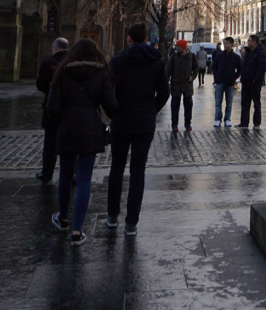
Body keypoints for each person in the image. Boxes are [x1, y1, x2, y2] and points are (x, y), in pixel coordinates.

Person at [45, 38, 117, 245]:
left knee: (65, 175)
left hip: (67, 127)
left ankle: (63, 219)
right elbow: (110, 106)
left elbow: (52, 106)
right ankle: (77, 231)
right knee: (84, 179)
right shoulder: (101, 72)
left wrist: (59, 123)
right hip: (90, 129)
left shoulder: (63, 71)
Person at [107, 21, 170, 236]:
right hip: (144, 122)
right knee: (138, 171)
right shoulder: (156, 62)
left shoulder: (118, 60)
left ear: (128, 39)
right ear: (146, 39)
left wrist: (112, 110)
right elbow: (164, 93)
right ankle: (131, 222)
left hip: (121, 119)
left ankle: (112, 215)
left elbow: (107, 90)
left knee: (117, 167)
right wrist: (151, 110)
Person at [34, 36, 69, 185]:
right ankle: (72, 174)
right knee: (71, 142)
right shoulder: (73, 62)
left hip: (51, 107)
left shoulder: (47, 63)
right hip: (70, 107)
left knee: (50, 143)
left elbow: (40, 85)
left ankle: (47, 173)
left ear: (55, 48)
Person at [166, 39, 198, 132]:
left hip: (187, 84)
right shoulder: (173, 56)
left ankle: (187, 123)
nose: (176, 48)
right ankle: (174, 125)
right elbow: (168, 70)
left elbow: (196, 68)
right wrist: (166, 80)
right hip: (176, 84)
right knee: (175, 105)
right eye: (176, 46)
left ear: (183, 47)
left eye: (178, 46)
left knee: (188, 105)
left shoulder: (191, 56)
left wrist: (193, 77)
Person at [211, 37, 242, 127]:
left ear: (231, 44)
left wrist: (234, 77)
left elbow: (240, 69)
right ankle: (218, 119)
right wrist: (216, 77)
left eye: (227, 43)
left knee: (229, 103)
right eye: (224, 43)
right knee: (218, 102)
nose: (225, 45)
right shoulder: (219, 55)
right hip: (220, 82)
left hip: (230, 83)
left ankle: (227, 119)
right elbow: (214, 66)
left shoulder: (235, 57)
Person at [240, 34, 266, 128]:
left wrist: (255, 79)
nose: (247, 42)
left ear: (254, 42)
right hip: (246, 82)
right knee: (245, 103)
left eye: (249, 41)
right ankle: (244, 123)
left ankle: (257, 123)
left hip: (254, 83)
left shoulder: (261, 53)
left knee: (256, 103)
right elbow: (244, 66)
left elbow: (262, 68)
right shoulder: (247, 52)